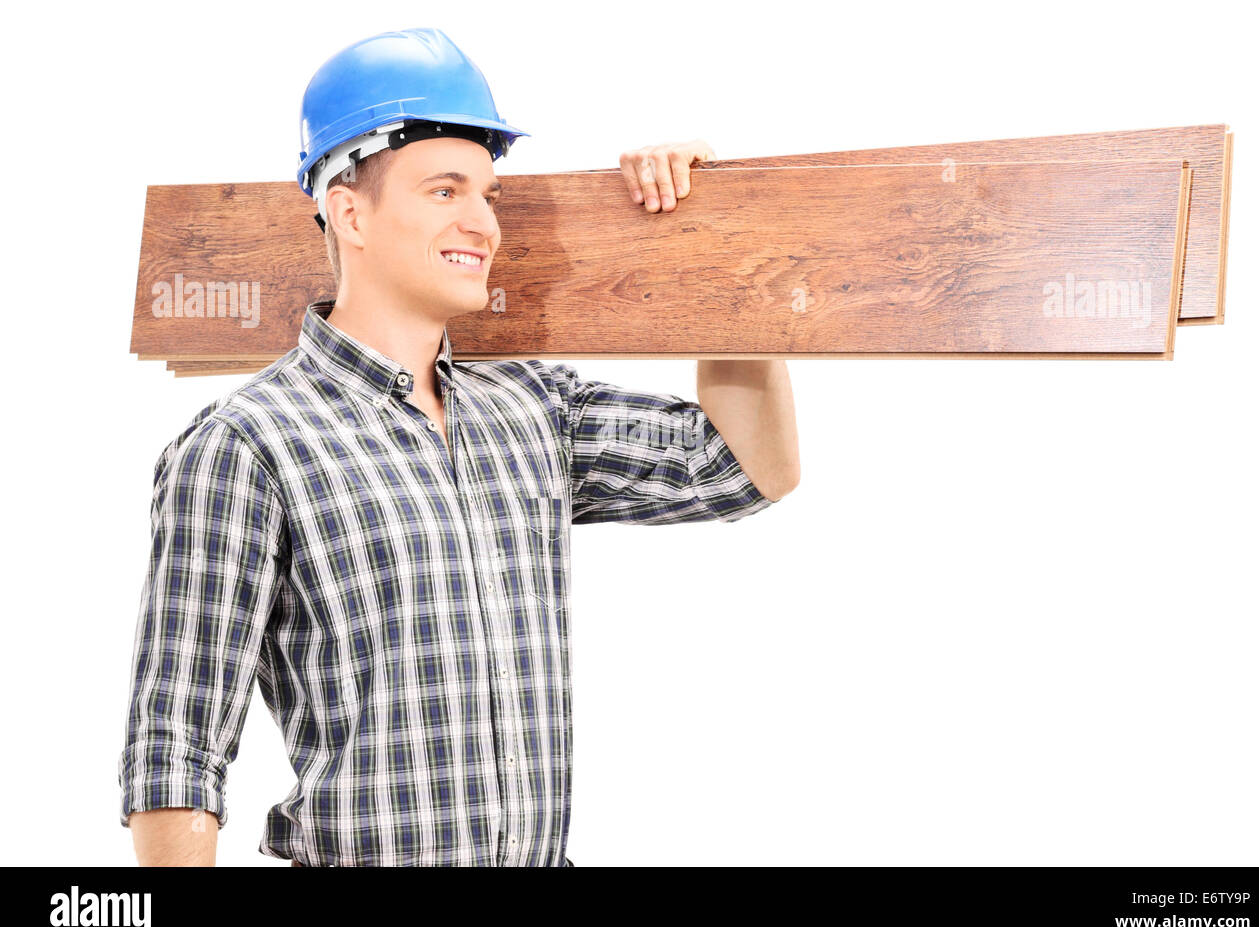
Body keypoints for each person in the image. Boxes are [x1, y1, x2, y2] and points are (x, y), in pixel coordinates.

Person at [117, 27, 799, 866]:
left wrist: (722, 231)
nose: (482, 223)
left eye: (490, 196)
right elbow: (177, 750)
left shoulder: (534, 409)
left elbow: (742, 469)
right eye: (445, 191)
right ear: (349, 210)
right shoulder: (247, 447)